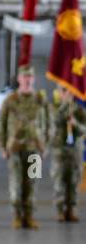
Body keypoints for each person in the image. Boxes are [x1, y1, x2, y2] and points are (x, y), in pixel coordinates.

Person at [0, 64, 50, 230]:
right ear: (19, 79)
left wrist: (45, 145)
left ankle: (30, 216)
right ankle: (18, 216)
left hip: (35, 149)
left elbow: (49, 124)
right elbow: (0, 126)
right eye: (24, 77)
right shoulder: (10, 101)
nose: (27, 80)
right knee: (16, 184)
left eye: (30, 77)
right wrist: (2, 147)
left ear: (33, 79)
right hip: (15, 149)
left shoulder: (40, 100)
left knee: (32, 183)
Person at [49, 86, 86, 222]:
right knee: (59, 180)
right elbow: (53, 123)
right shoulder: (54, 108)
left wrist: (75, 123)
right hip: (59, 150)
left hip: (75, 150)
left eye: (69, 91)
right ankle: (60, 210)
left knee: (74, 180)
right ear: (59, 92)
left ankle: (71, 210)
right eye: (64, 91)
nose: (67, 94)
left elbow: (84, 129)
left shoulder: (79, 110)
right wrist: (64, 109)